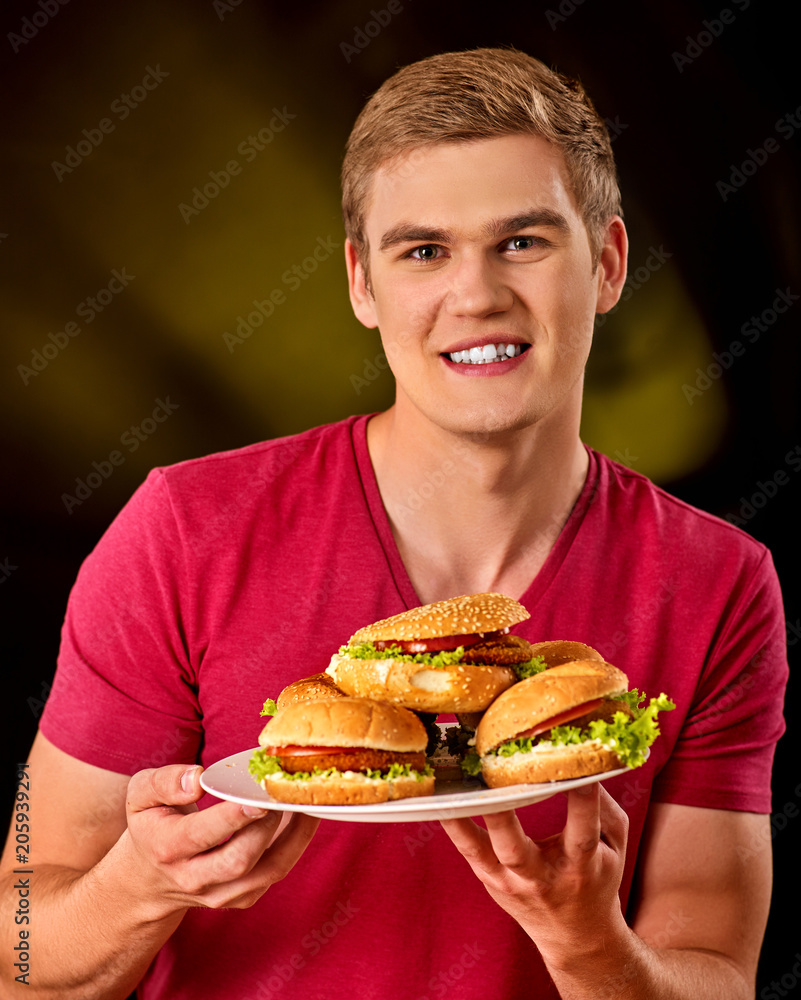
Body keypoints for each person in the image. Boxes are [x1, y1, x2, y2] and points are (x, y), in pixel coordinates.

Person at [0, 47, 787, 1000]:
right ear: (361, 285)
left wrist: (591, 949)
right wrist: (142, 883)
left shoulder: (717, 578)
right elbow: (19, 951)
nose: (476, 295)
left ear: (609, 263)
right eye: (423, 251)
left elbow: (716, 973)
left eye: (523, 243)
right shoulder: (183, 528)